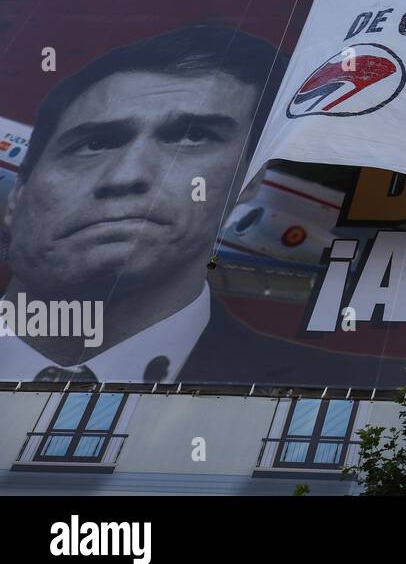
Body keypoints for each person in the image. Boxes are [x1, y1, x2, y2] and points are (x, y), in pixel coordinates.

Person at [0, 25, 382, 385]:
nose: (124, 176)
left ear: (250, 181)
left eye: (193, 137)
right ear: (17, 195)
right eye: (95, 144)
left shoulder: (383, 386)